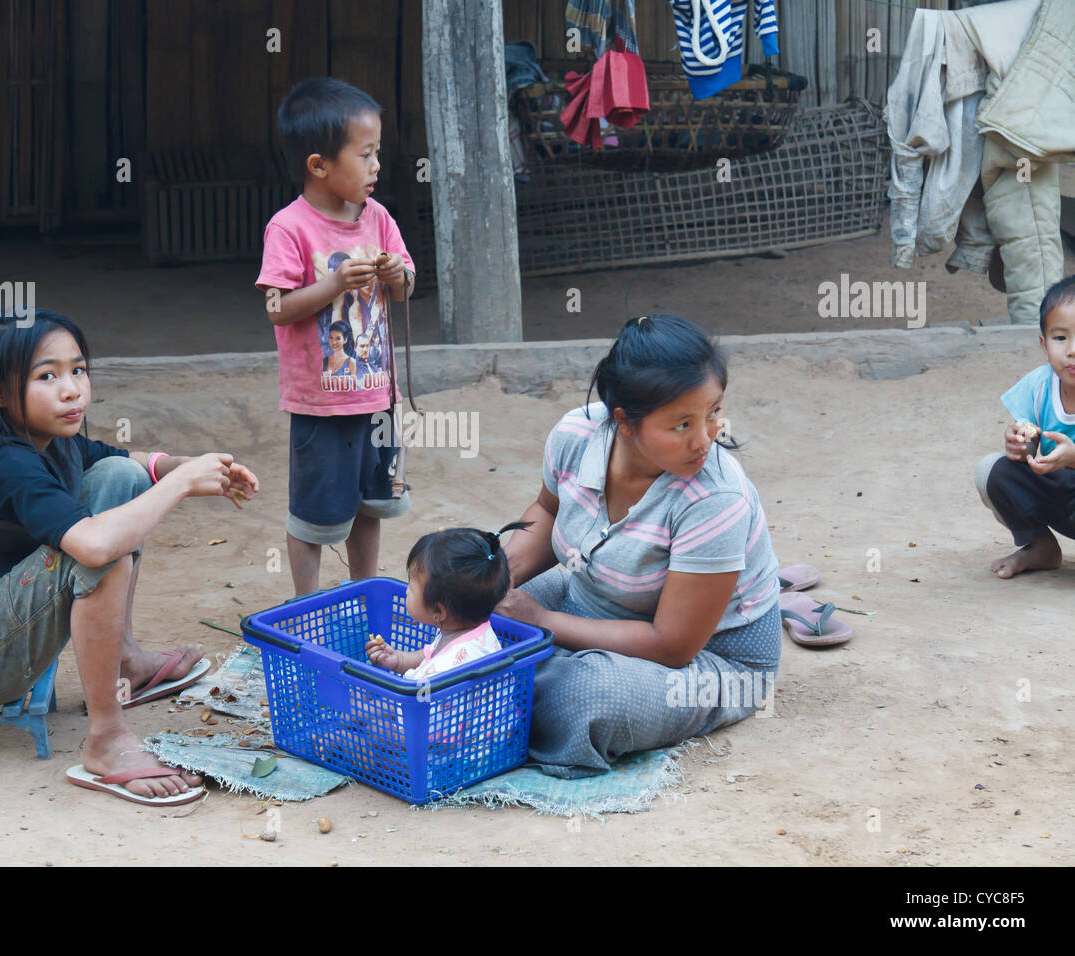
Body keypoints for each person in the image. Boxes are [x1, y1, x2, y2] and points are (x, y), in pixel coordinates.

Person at [0, 312, 259, 805]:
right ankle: (106, 739)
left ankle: (126, 662)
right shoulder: (2, 462)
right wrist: (179, 486)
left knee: (118, 477)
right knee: (100, 553)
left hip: (1, 612)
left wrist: (193, 467)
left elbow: (124, 463)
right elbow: (93, 548)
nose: (71, 390)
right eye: (46, 376)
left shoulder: (49, 440)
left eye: (78, 370)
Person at [496, 314, 781, 778]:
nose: (705, 438)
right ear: (624, 421)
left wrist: (544, 622)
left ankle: (511, 685)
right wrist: (495, 580)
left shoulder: (716, 497)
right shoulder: (575, 436)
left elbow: (671, 646)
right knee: (461, 605)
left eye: (713, 412)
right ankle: (512, 677)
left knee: (584, 698)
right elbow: (548, 511)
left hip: (711, 660)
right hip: (591, 602)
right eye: (682, 424)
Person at [256, 76, 416, 596]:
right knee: (316, 514)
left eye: (378, 153)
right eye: (365, 154)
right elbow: (278, 308)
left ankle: (361, 591)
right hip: (321, 406)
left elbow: (408, 287)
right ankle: (307, 604)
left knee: (369, 503)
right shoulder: (290, 228)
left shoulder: (380, 218)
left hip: (377, 395)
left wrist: (395, 275)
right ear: (319, 165)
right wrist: (333, 284)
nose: (376, 166)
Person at [975, 275, 1075, 578]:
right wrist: (1018, 441)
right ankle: (1039, 546)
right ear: (1044, 346)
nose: (1072, 350)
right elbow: (1026, 433)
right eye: (1061, 338)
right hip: (1060, 493)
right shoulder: (1040, 385)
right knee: (991, 470)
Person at [366, 523, 530, 680]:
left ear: (439, 612)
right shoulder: (471, 630)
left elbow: (416, 703)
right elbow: (429, 656)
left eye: (411, 586)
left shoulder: (443, 671)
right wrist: (397, 659)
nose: (406, 590)